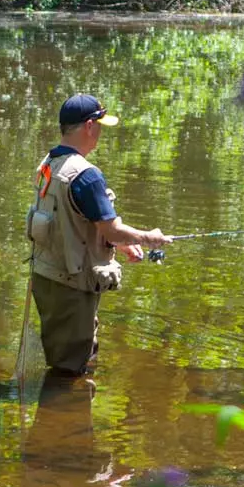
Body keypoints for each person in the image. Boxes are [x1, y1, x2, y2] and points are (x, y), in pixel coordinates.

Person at [24, 93, 168, 376]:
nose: (101, 133)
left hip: (45, 278)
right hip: (71, 288)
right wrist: (149, 237)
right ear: (89, 126)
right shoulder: (86, 176)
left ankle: (63, 413)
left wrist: (121, 246)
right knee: (69, 372)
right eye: (100, 126)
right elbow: (110, 228)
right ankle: (66, 417)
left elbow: (71, 223)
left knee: (71, 359)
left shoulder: (48, 164)